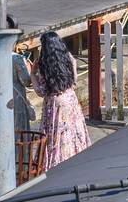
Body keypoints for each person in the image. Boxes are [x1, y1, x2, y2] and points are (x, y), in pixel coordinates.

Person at [28, 31, 90, 169]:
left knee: (55, 134)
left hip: (55, 102)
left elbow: (40, 91)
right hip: (70, 98)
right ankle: (76, 159)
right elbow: (74, 80)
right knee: (72, 131)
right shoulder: (68, 58)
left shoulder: (44, 64)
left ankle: (56, 163)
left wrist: (33, 74)